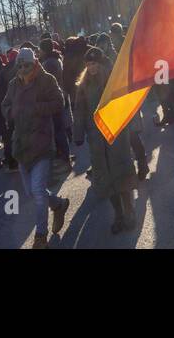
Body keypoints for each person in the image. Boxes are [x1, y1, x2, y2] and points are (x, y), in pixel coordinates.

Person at [1, 47, 70, 248]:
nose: (23, 69)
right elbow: (4, 105)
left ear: (34, 64)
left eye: (27, 65)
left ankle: (40, 237)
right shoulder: (14, 84)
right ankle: (58, 205)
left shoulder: (47, 80)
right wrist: (11, 112)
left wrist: (35, 109)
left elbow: (59, 102)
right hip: (21, 146)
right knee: (32, 192)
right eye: (20, 65)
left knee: (38, 190)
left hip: (41, 142)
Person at [72, 46, 137, 232]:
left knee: (121, 171)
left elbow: (125, 102)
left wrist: (128, 125)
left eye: (94, 63)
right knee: (105, 176)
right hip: (96, 138)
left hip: (116, 133)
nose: (92, 67)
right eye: (89, 64)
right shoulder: (83, 85)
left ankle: (129, 211)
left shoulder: (112, 81)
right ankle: (118, 214)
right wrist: (78, 133)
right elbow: (79, 110)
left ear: (101, 64)